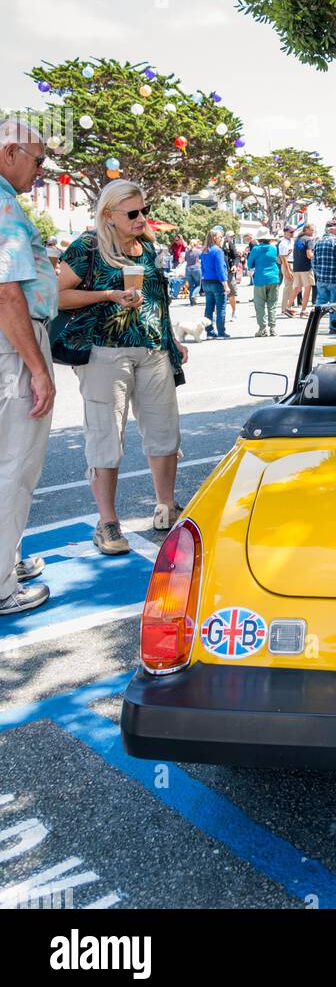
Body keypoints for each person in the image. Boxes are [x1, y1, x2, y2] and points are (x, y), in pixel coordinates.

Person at [57, 179, 188, 547]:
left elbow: (156, 300)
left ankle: (166, 506)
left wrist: (172, 339)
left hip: (153, 349)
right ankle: (108, 522)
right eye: (132, 213)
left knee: (164, 431)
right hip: (103, 351)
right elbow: (58, 295)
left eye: (144, 210)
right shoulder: (88, 247)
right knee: (106, 434)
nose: (141, 218)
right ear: (108, 215)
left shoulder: (146, 247)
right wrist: (109, 294)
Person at [0, 119, 57, 616]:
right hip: (14, 343)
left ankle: (7, 562)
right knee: (15, 467)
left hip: (10, 340)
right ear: (12, 152)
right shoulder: (4, 207)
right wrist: (37, 368)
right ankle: (2, 584)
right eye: (39, 161)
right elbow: (6, 292)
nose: (41, 172)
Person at [247, 231, 282, 336]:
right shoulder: (273, 248)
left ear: (258, 239)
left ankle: (262, 329)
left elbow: (249, 264)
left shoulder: (256, 249)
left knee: (260, 305)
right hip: (274, 278)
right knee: (272, 304)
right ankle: (272, 328)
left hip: (260, 279)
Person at [201, 226, 230, 339]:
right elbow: (220, 269)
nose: (222, 239)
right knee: (220, 308)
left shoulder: (204, 250)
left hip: (206, 281)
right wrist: (226, 285)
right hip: (217, 282)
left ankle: (209, 332)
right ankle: (221, 333)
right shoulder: (217, 250)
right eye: (220, 237)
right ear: (215, 238)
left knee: (209, 308)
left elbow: (202, 268)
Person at [313, 219, 336, 307]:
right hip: (334, 279)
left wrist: (318, 273)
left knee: (321, 302)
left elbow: (314, 262)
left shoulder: (318, 242)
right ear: (331, 229)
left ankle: (315, 320)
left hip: (321, 278)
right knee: (335, 305)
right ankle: (334, 321)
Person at [290, 223, 316, 318]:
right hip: (306, 268)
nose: (313, 232)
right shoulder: (309, 240)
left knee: (297, 288)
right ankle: (303, 311)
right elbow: (309, 255)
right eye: (311, 230)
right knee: (307, 288)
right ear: (306, 230)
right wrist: (317, 255)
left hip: (297, 267)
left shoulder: (298, 239)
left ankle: (288, 308)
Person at [278, 224, 296, 313]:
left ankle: (289, 307)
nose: (292, 233)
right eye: (290, 232)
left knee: (291, 287)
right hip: (287, 264)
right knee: (288, 287)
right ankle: (284, 308)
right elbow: (283, 258)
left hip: (292, 263)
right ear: (285, 232)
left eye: (293, 232)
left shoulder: (291, 241)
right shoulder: (283, 242)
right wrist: (288, 270)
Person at [184, 238, 203, 304]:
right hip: (196, 268)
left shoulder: (187, 252)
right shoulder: (198, 251)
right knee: (198, 285)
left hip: (188, 269)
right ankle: (193, 295)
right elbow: (202, 259)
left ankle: (192, 302)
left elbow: (185, 259)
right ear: (196, 244)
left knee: (191, 285)